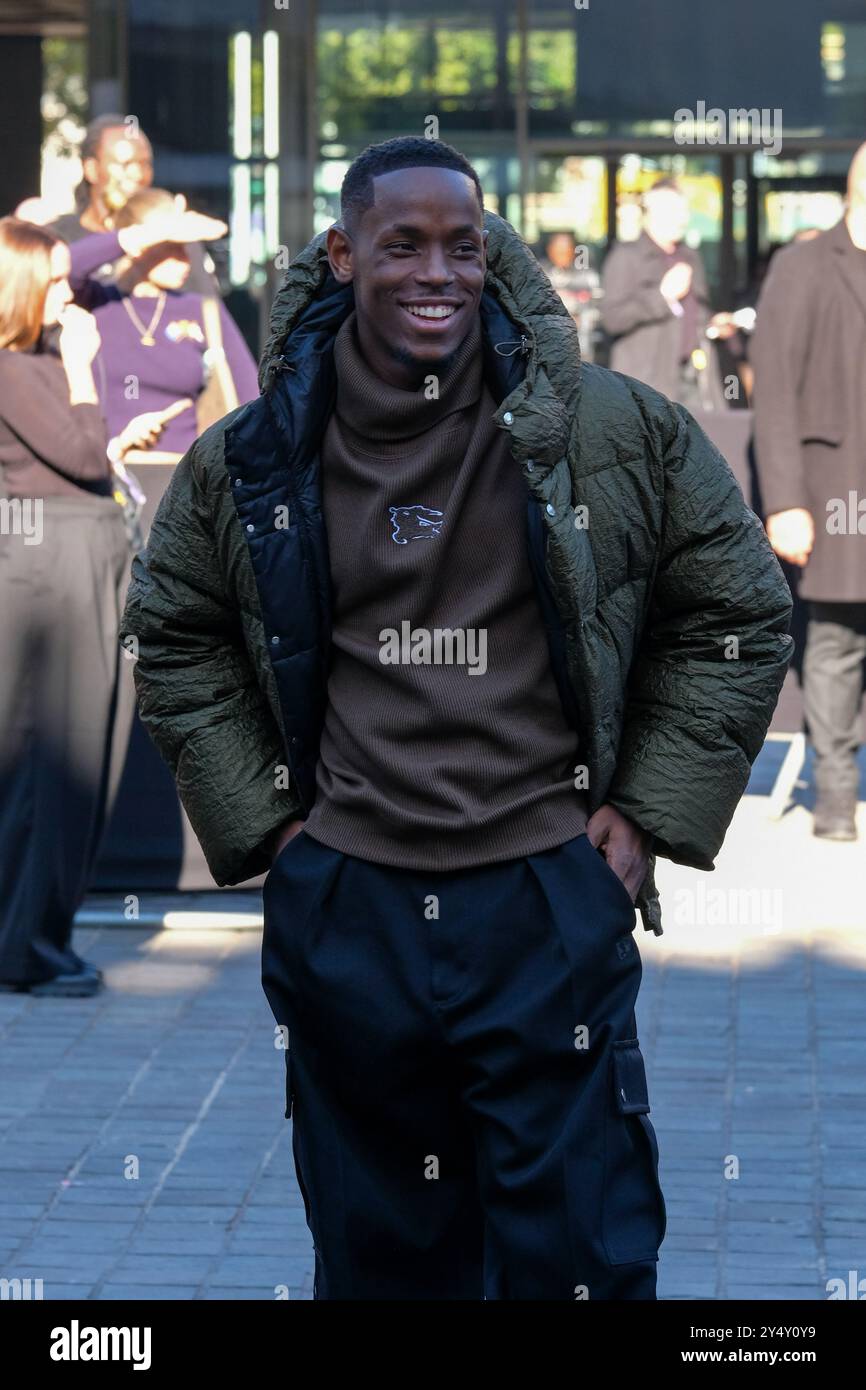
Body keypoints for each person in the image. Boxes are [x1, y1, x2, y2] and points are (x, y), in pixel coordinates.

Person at [121, 137, 793, 1300]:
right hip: (351, 910)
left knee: (579, 1256)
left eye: (463, 247)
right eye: (402, 245)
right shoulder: (257, 458)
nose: (437, 271)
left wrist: (639, 815)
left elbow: (733, 608)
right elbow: (174, 632)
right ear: (341, 255)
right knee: (385, 1257)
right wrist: (277, 834)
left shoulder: (605, 431)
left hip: (544, 901)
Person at [0, 219, 150, 995]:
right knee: (55, 767)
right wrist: (89, 373)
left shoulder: (29, 364)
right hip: (52, 570)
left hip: (58, 557)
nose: (70, 296)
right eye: (55, 282)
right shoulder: (17, 366)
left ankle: (36, 937)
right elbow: (80, 454)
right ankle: (26, 945)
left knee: (61, 767)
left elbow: (75, 459)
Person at [751, 143, 866, 841]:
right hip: (833, 491)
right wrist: (786, 503)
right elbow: (776, 398)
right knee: (833, 645)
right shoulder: (801, 267)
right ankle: (835, 797)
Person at [67, 189, 258, 461]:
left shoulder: (200, 309)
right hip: (110, 470)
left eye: (185, 247)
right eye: (171, 246)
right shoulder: (100, 301)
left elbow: (249, 394)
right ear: (140, 247)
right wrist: (143, 234)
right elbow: (67, 266)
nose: (185, 259)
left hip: (183, 478)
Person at [48, 113, 218, 297]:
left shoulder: (175, 237)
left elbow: (208, 308)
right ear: (92, 169)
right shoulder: (55, 236)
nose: (138, 174)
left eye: (145, 164)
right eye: (125, 164)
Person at [600, 177, 732, 410]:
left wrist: (714, 324)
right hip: (647, 385)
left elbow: (694, 312)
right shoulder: (626, 256)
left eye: (683, 211)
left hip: (695, 380)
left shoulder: (690, 257)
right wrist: (663, 296)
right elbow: (613, 319)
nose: (682, 218)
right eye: (673, 211)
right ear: (651, 213)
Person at [537, 229, 601, 361]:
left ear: (573, 250)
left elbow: (597, 310)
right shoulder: (539, 274)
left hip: (581, 346)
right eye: (559, 251)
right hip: (548, 345)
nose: (563, 255)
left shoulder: (586, 276)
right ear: (550, 250)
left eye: (566, 250)